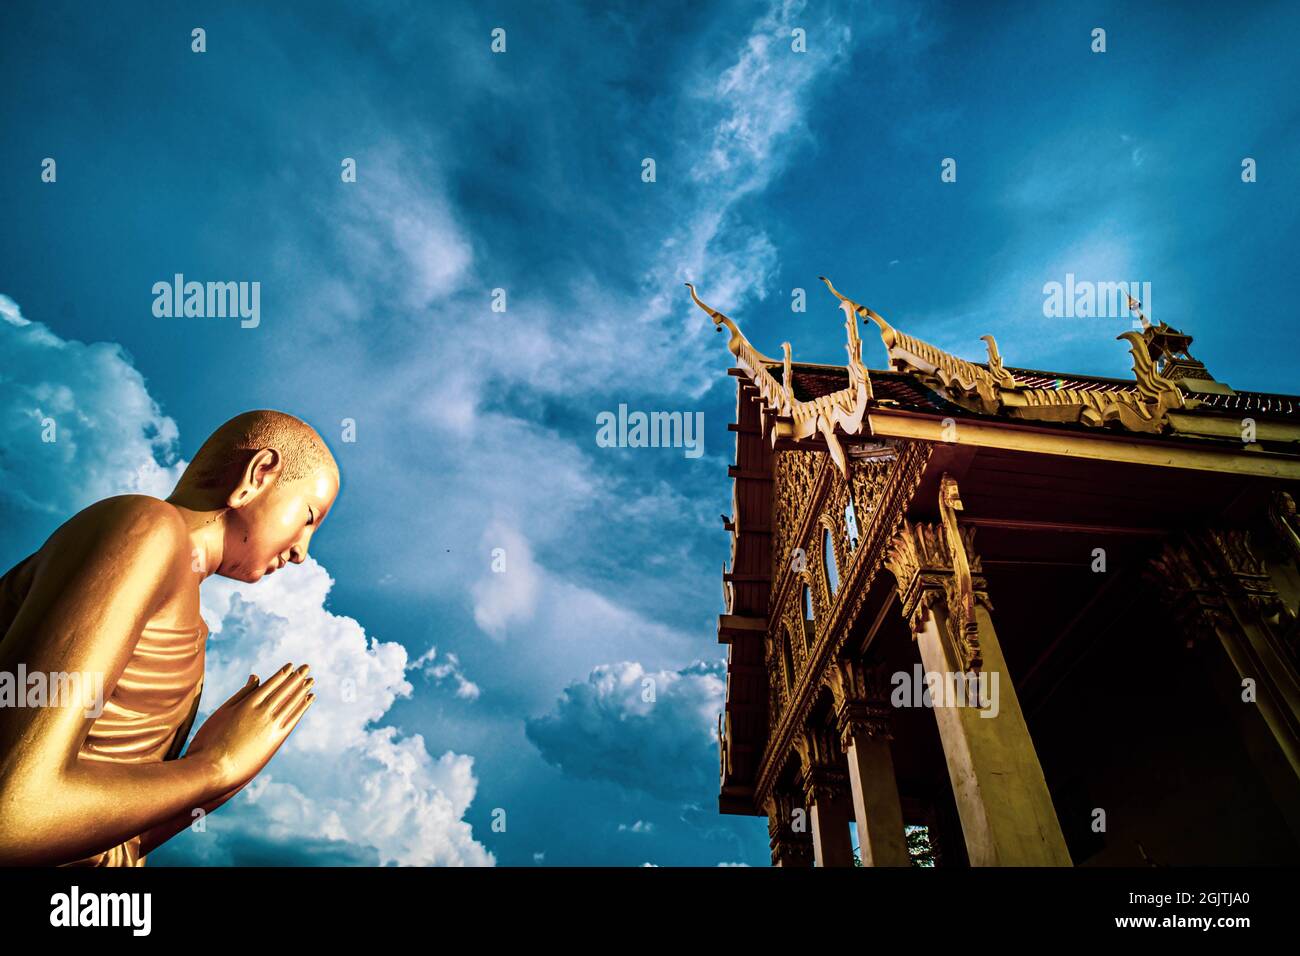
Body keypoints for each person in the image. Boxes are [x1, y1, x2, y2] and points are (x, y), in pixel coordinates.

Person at [0, 409, 339, 865]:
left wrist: (224, 774)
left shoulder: (195, 632)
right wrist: (212, 767)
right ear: (258, 475)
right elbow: (12, 814)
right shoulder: (144, 529)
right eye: (309, 518)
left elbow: (121, 844)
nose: (302, 552)